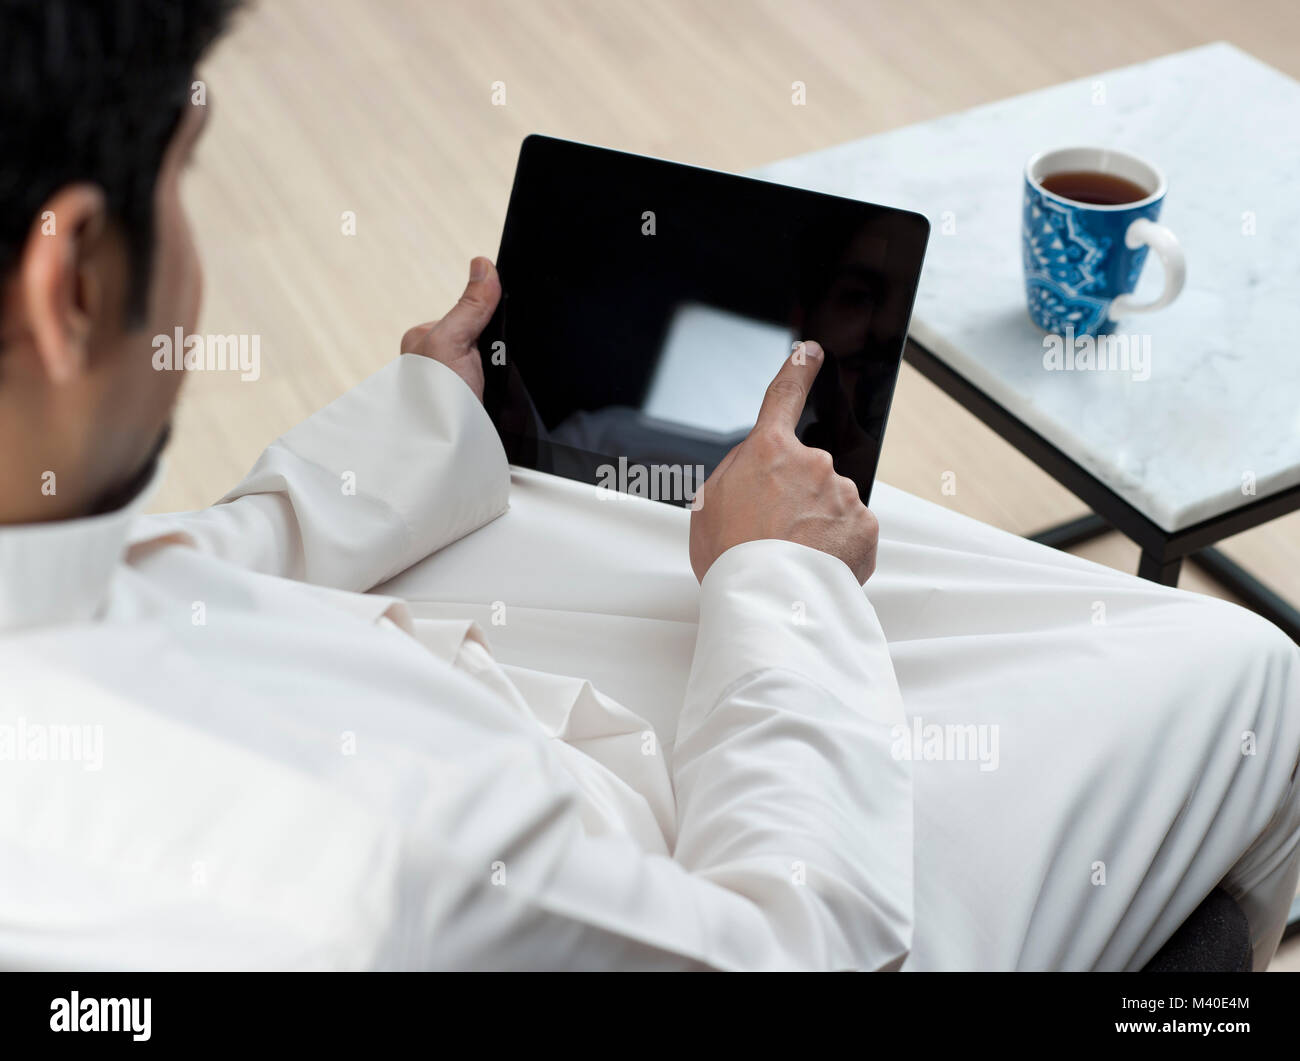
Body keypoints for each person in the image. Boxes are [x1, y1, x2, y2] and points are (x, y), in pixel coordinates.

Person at [1, 0, 1297, 971]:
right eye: (182, 181)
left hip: (469, 687)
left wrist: (419, 424)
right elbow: (801, 943)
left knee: (580, 489)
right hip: (737, 867)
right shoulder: (362, 851)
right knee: (1250, 678)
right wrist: (776, 580)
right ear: (70, 288)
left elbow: (157, 579)